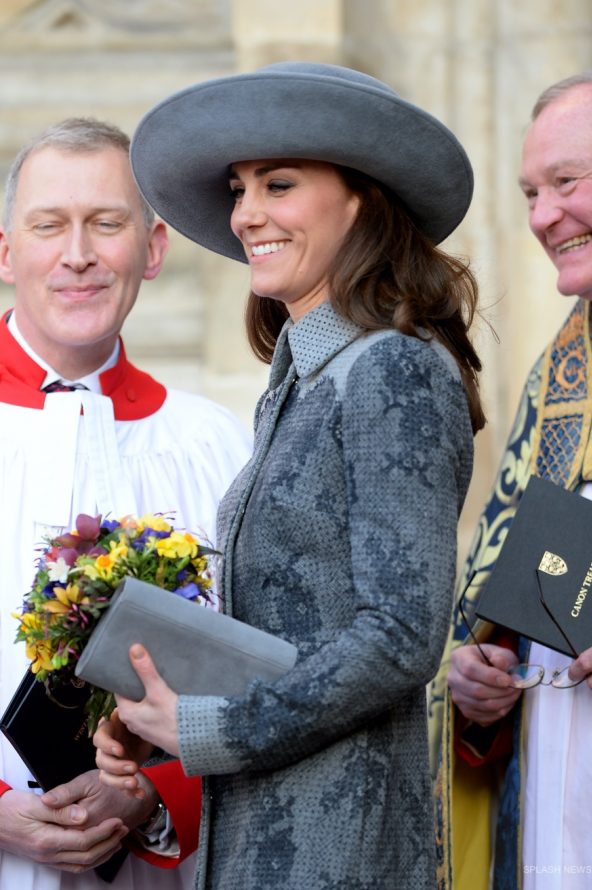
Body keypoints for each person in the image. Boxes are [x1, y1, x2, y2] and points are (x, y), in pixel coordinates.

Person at [93, 61, 485, 889]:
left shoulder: (393, 368)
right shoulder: (299, 383)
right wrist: (162, 716)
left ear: (361, 199)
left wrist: (212, 727)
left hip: (342, 849)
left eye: (279, 185)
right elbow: (293, 633)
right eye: (239, 189)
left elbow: (399, 637)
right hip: (258, 843)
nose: (246, 214)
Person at [0, 118, 251, 890]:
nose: (78, 253)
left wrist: (153, 795)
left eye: (107, 224)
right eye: (49, 225)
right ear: (6, 253)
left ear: (153, 248)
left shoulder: (216, 446)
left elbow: (257, 678)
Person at [431, 68, 592, 890]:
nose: (541, 217)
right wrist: (477, 681)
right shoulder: (556, 379)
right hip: (546, 818)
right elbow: (509, 610)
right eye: (532, 194)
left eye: (566, 183)